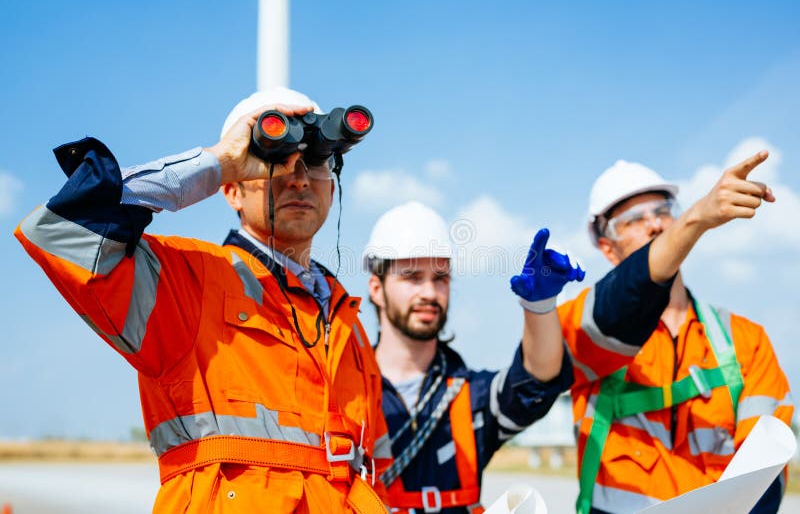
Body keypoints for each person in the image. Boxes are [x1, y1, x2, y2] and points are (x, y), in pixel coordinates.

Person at [15, 87, 392, 513]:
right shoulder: (186, 282)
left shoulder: (349, 323)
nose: (299, 177)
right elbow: (61, 232)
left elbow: (379, 469)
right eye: (276, 160)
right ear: (231, 191)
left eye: (317, 160)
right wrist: (218, 161)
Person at [556, 153, 794, 513]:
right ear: (607, 248)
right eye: (633, 219)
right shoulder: (584, 331)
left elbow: (765, 473)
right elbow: (613, 305)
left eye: (663, 210)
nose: (654, 224)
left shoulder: (746, 341)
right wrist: (696, 218)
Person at [362, 201, 583, 513]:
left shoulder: (471, 395)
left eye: (441, 278)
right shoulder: (347, 394)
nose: (429, 292)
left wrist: (540, 305)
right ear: (376, 287)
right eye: (412, 277)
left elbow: (537, 380)